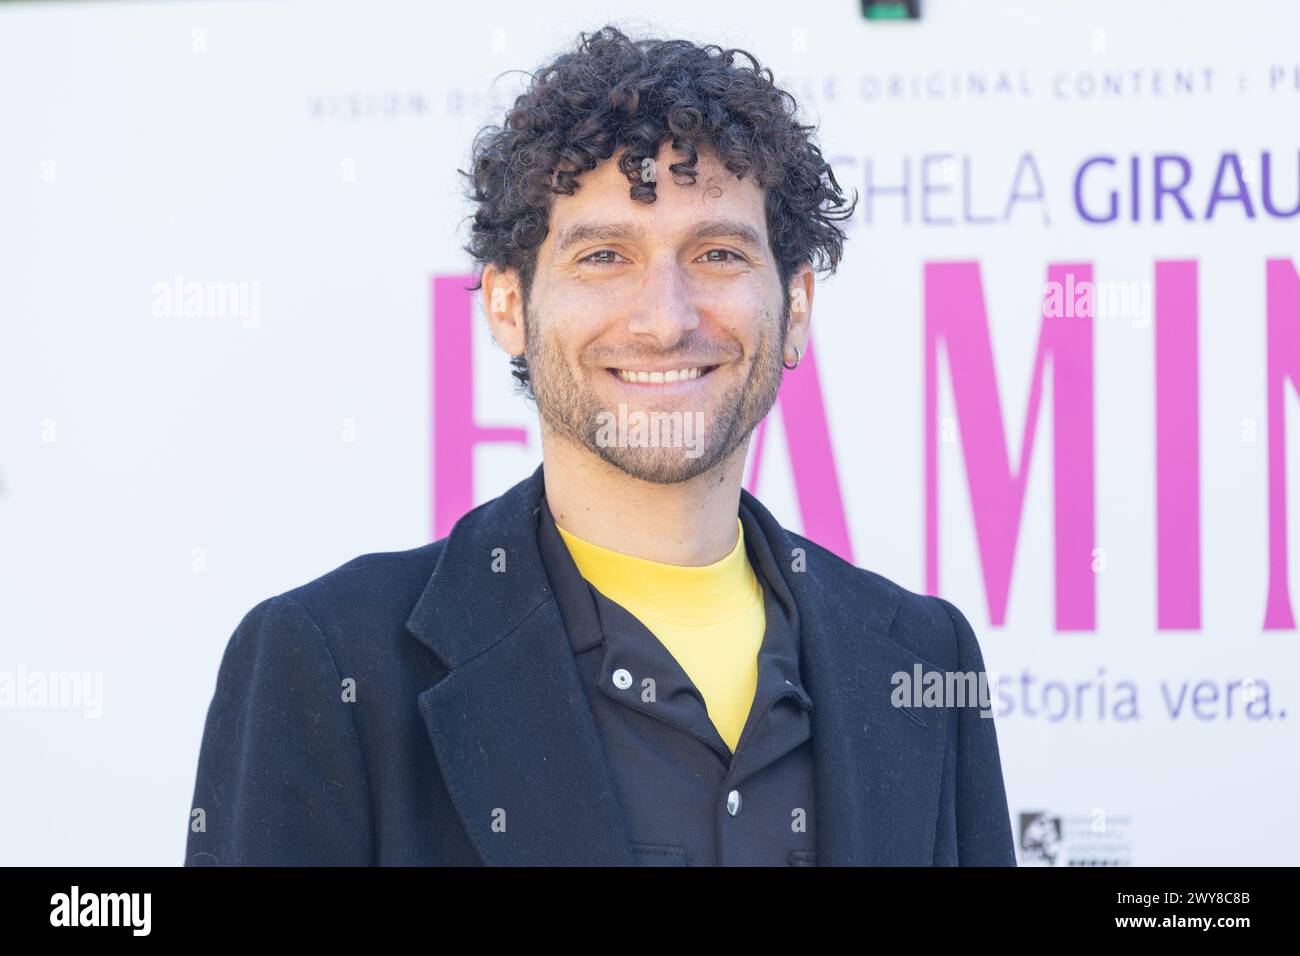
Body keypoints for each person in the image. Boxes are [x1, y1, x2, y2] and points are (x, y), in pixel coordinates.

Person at [185, 24, 1016, 866]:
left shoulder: (922, 659)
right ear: (508, 305)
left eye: (718, 252)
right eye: (606, 256)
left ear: (795, 306)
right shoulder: (328, 663)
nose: (666, 318)